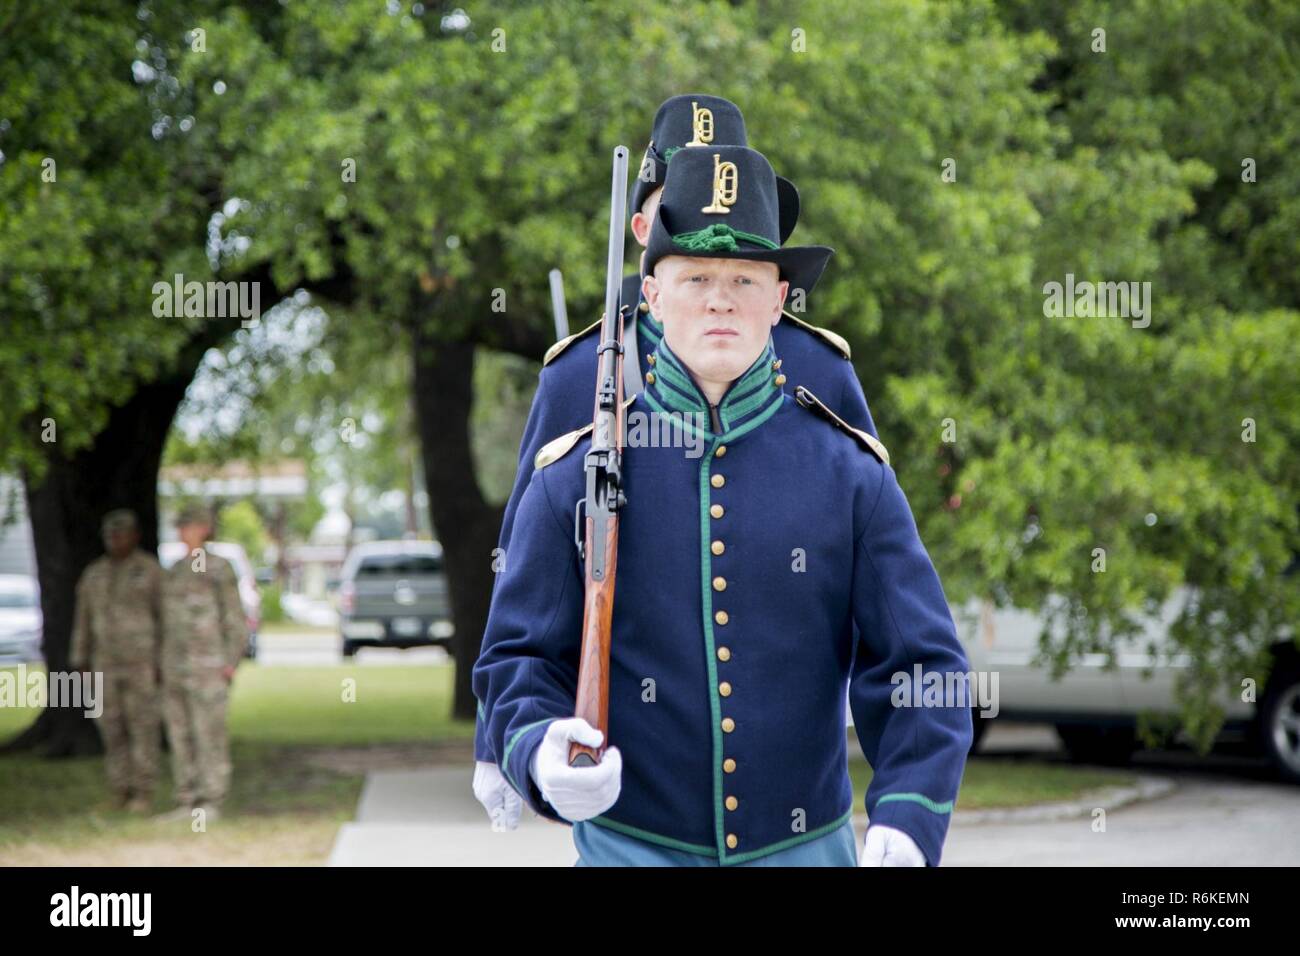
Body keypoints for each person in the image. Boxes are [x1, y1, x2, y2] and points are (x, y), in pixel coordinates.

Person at [474, 145, 972, 866]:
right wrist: (534, 747)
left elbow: (923, 664)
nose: (719, 298)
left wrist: (908, 811)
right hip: (631, 850)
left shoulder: (852, 474)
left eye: (745, 278)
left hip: (805, 851)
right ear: (650, 297)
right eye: (697, 276)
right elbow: (515, 657)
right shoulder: (570, 475)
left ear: (779, 299)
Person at [70, 509, 163, 813]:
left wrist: (162, 660)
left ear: (135, 536)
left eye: (121, 533)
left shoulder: (149, 570)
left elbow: (164, 618)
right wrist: (80, 659)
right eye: (110, 534)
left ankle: (143, 792)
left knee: (142, 726)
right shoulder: (94, 574)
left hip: (141, 663)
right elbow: (83, 619)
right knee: (110, 728)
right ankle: (119, 790)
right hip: (103, 665)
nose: (115, 539)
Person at [157, 504, 246, 821]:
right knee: (180, 735)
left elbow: (234, 618)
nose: (183, 531)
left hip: (208, 665)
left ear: (205, 528)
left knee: (209, 733)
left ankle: (212, 799)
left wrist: (231, 661)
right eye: (180, 526)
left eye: (189, 525)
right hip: (175, 666)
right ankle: (186, 798)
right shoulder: (175, 569)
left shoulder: (218, 568)